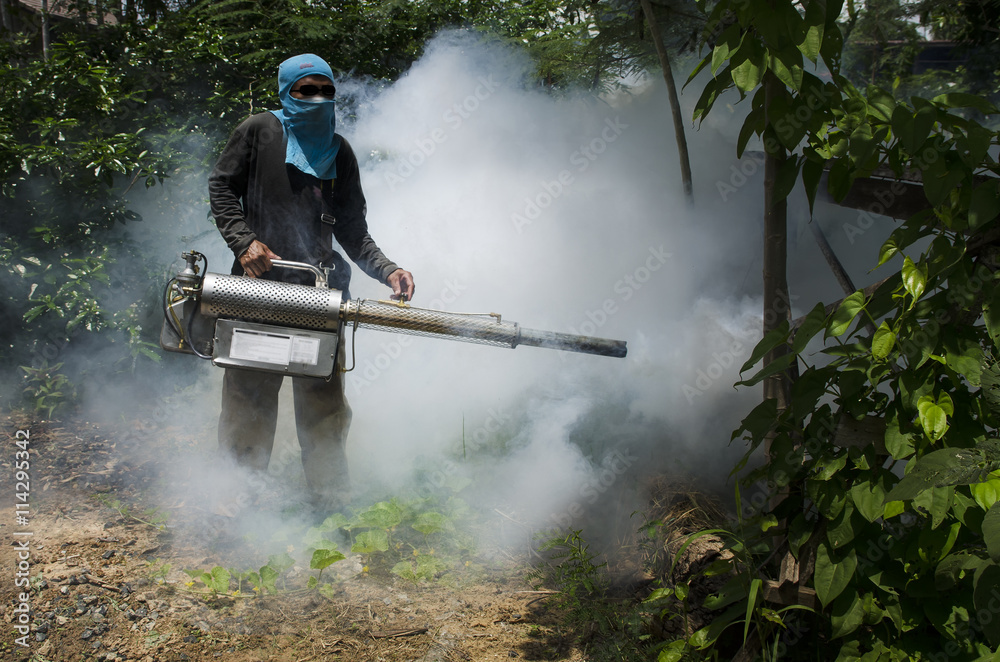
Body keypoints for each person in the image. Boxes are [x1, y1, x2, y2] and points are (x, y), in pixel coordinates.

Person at [208, 53, 414, 511]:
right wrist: (244, 242)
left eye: (326, 90)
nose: (317, 99)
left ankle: (331, 506)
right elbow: (220, 187)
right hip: (258, 290)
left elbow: (353, 229)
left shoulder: (339, 151)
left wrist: (388, 269)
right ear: (287, 91)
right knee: (249, 400)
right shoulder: (260, 131)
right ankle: (238, 506)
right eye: (307, 90)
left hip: (318, 296)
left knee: (324, 406)